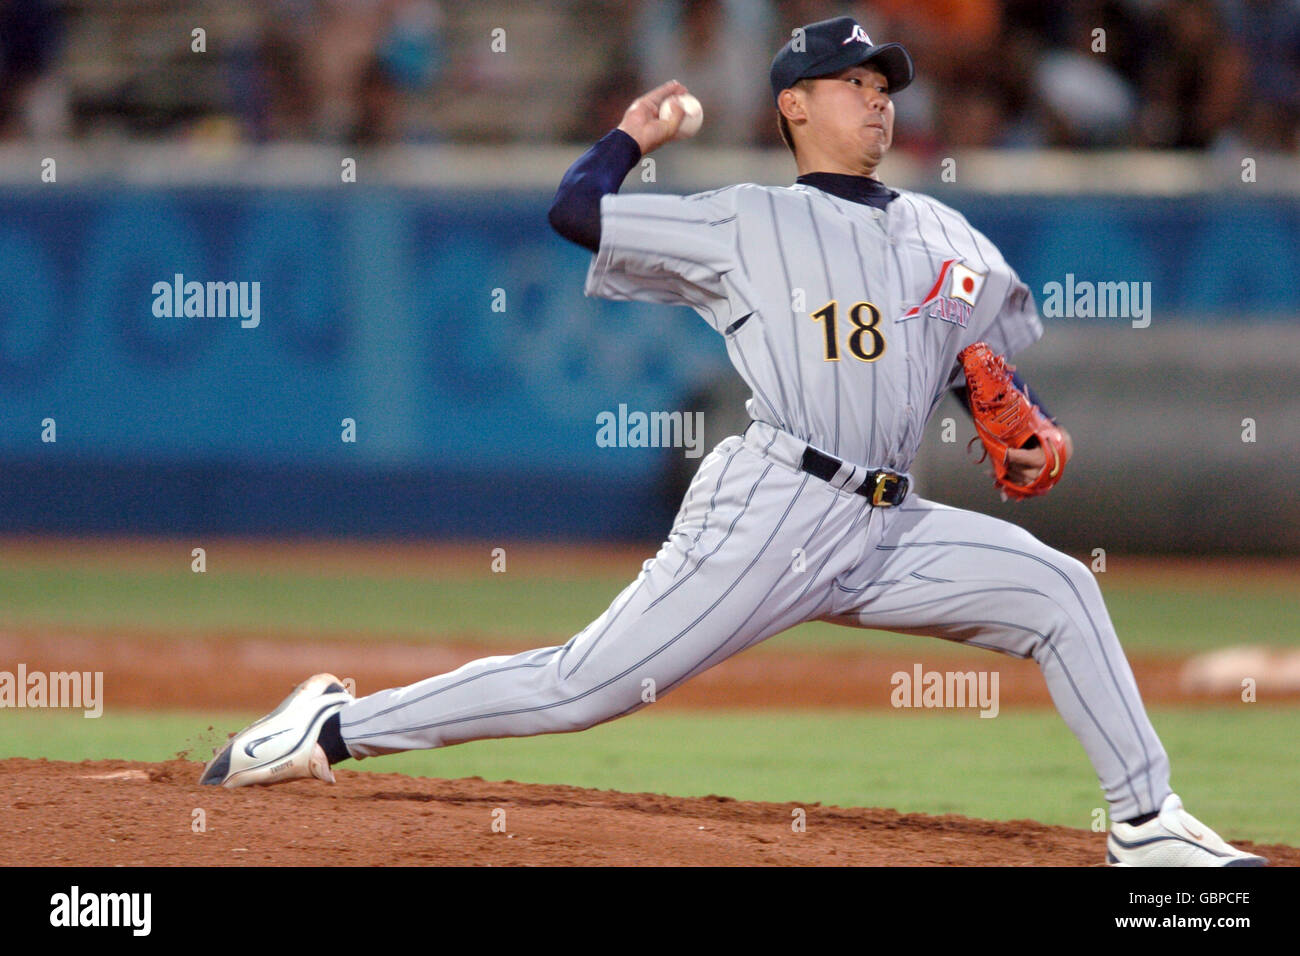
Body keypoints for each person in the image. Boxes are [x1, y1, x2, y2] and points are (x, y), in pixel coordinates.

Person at [200, 16, 1265, 867]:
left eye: (884, 84)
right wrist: (632, 137)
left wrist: (1019, 419)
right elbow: (577, 212)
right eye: (854, 84)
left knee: (1059, 592)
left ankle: (1146, 822)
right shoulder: (742, 220)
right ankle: (331, 726)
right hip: (775, 504)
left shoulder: (938, 230)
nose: (878, 100)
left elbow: (971, 364)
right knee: (582, 687)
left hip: (886, 522)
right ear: (796, 105)